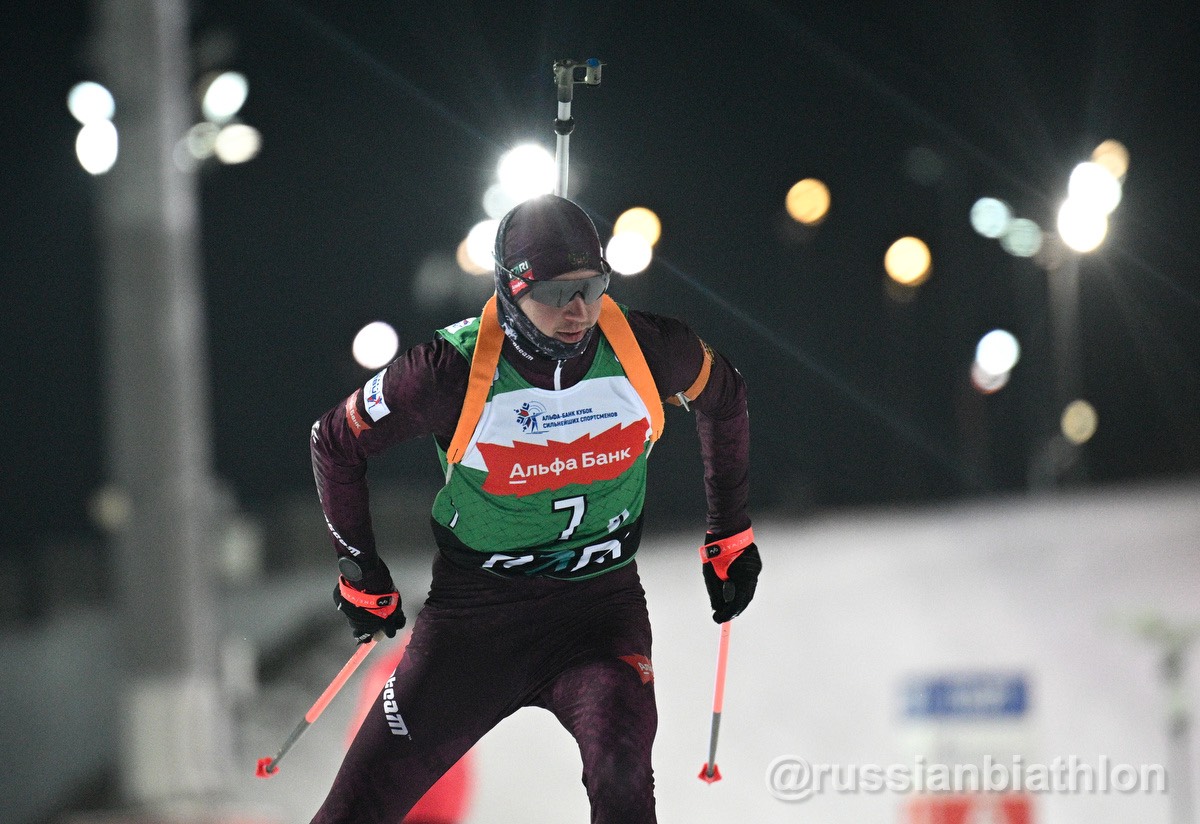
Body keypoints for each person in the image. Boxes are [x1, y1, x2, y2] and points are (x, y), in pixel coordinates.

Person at [308, 194, 761, 824]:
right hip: (474, 624)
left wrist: (729, 531)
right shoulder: (450, 370)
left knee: (622, 781)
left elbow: (726, 396)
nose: (579, 311)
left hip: (598, 614)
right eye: (554, 293)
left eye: (593, 287)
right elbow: (335, 439)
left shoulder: (647, 349)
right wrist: (360, 572)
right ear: (511, 290)